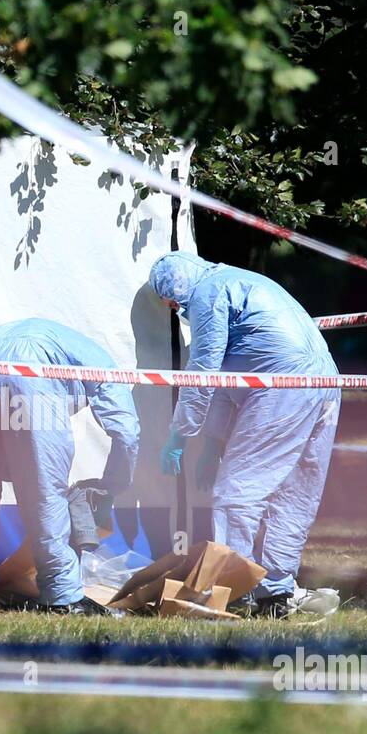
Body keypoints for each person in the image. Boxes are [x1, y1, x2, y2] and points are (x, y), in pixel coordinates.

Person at [149, 251, 341, 617]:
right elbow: (226, 378)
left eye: (171, 302)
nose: (175, 309)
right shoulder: (239, 281)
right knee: (293, 495)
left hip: (284, 387)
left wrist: (180, 435)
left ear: (176, 290)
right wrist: (213, 442)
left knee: (234, 493)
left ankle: (233, 591)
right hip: (325, 382)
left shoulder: (208, 294)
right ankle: (277, 593)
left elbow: (202, 372)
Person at [0, 318, 140, 613]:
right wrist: (112, 486)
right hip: (33, 368)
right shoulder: (105, 367)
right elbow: (127, 433)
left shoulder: (67, 346)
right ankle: (61, 596)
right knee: (45, 493)